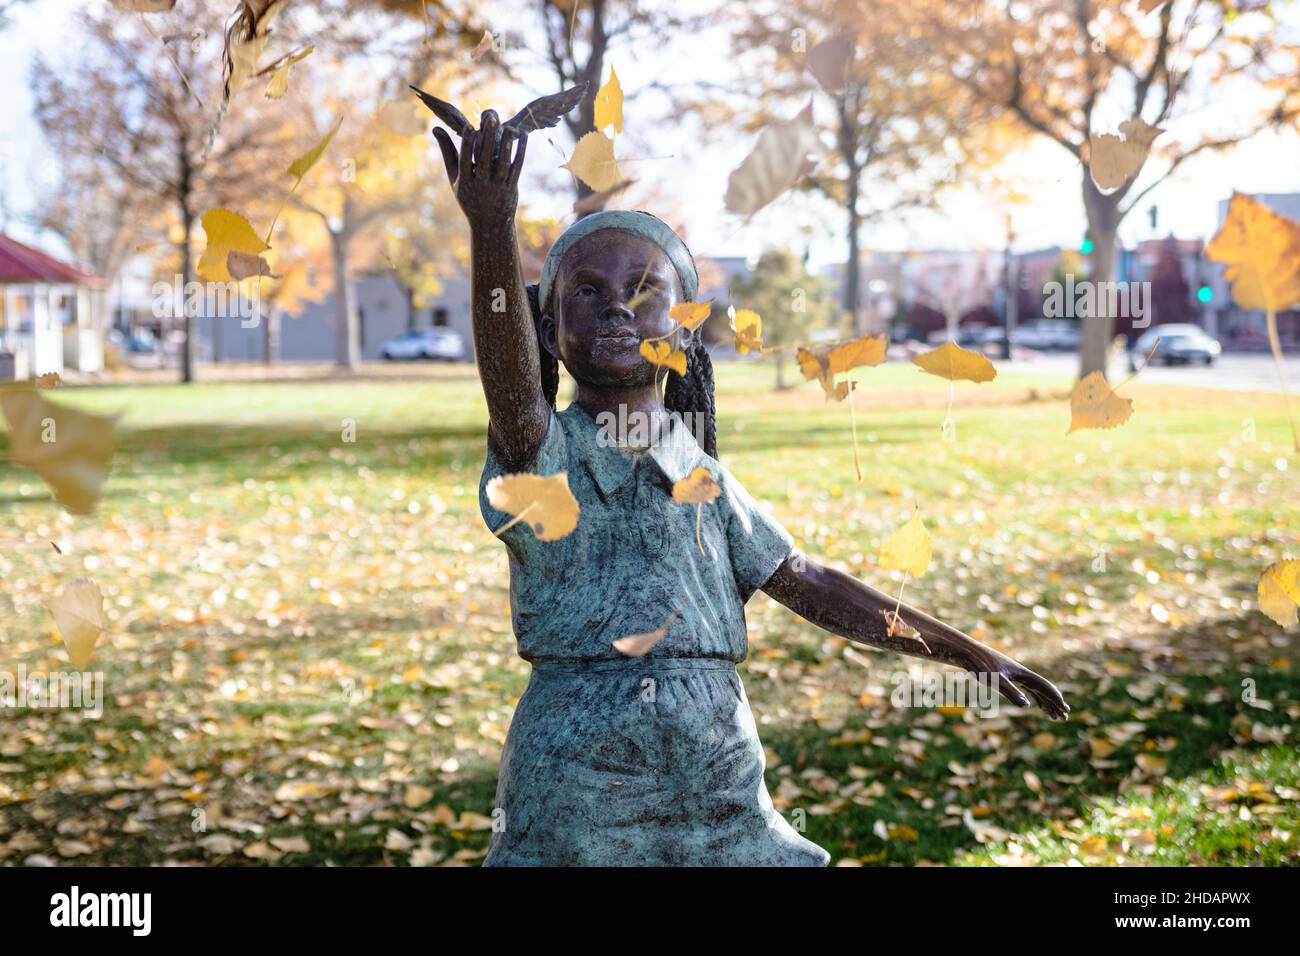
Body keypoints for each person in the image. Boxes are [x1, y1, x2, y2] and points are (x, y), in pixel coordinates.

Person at [431, 105, 1068, 867]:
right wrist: (492, 225)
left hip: (716, 762)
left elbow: (805, 579)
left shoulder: (696, 471)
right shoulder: (542, 453)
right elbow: (505, 373)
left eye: (643, 290)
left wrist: (967, 652)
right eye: (587, 293)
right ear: (547, 328)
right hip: (579, 771)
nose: (618, 309)